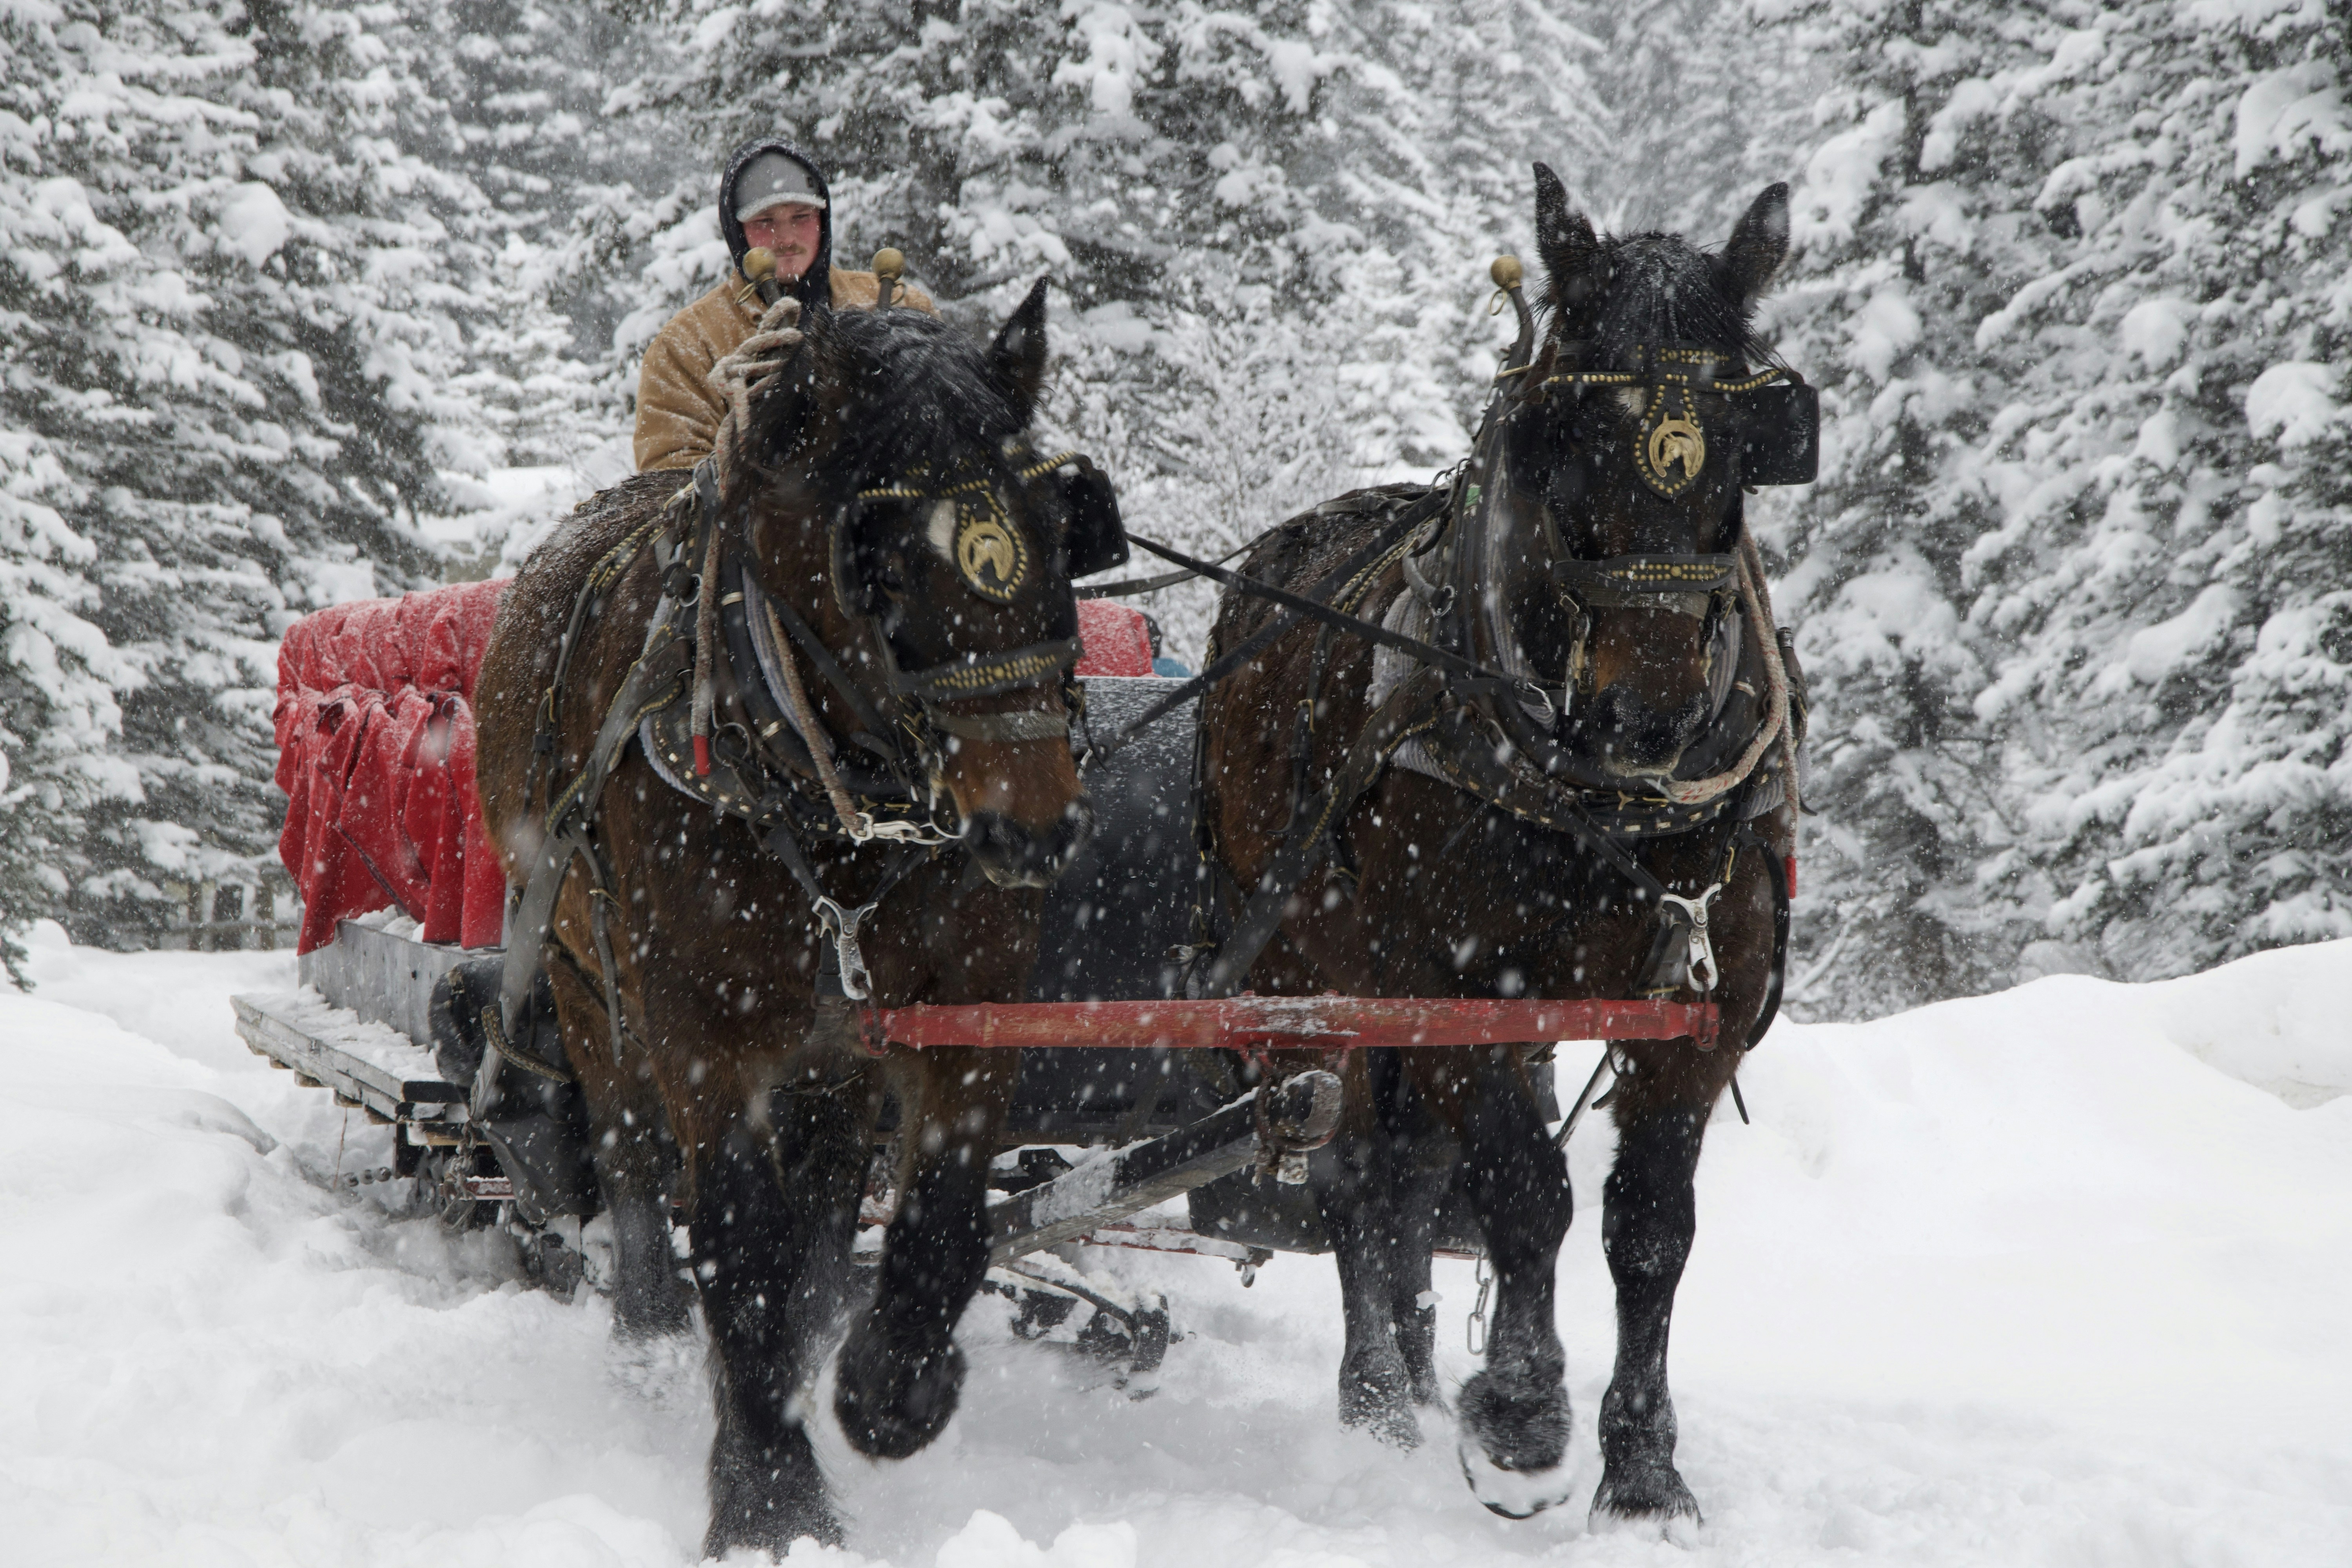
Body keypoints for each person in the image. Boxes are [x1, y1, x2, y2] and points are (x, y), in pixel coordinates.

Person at [633, 140, 935, 472]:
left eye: (801, 217)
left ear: (823, 218)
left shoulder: (903, 306)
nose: (786, 238)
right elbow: (673, 481)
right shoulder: (687, 345)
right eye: (764, 222)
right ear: (737, 230)